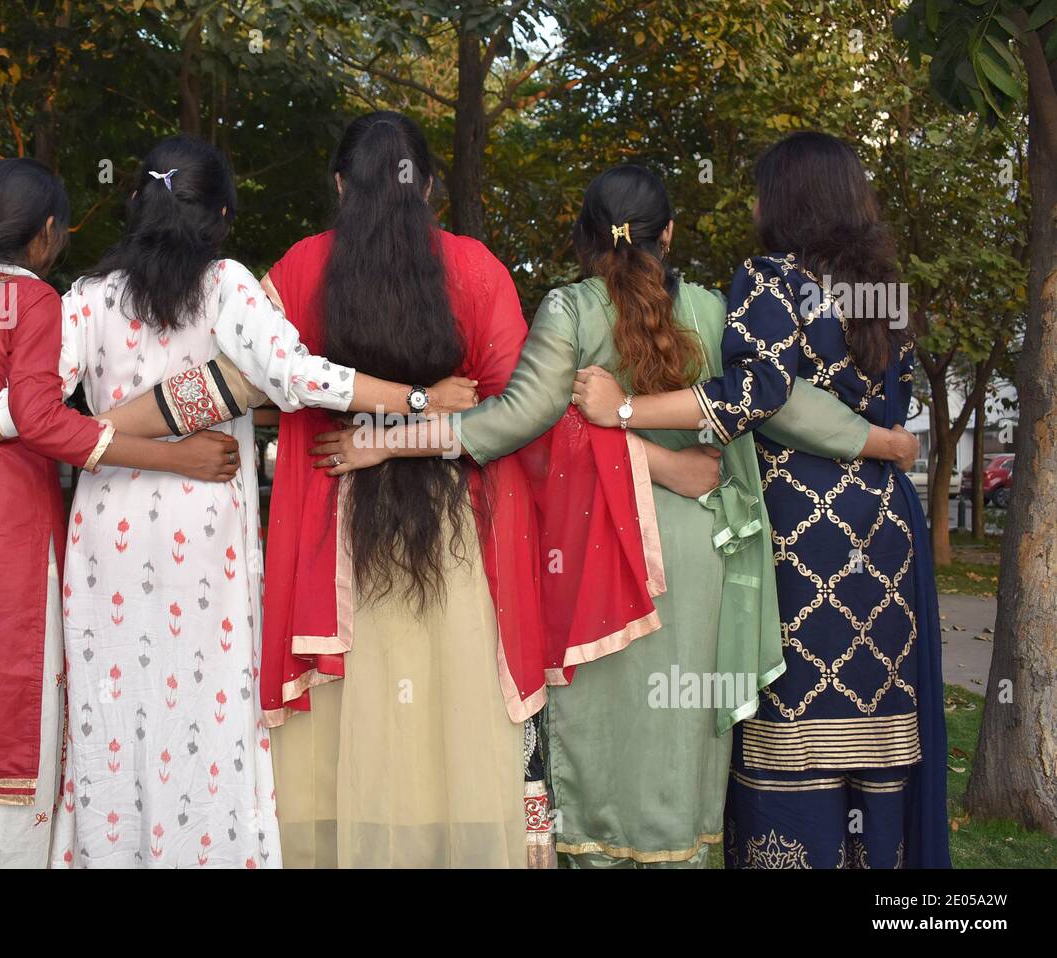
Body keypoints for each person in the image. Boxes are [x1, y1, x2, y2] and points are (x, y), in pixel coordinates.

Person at [312, 162, 918, 866]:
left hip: (604, 557)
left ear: (585, 237)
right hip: (701, 557)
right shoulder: (717, 312)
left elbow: (504, 423)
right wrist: (880, 441)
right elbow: (777, 400)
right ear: (670, 232)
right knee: (678, 757)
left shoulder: (570, 311)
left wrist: (385, 440)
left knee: (602, 754)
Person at [0, 135, 478, 867]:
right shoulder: (228, 286)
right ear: (224, 213)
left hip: (104, 533)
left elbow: (28, 409)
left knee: (110, 715)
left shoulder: (85, 297)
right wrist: (418, 398)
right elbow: (298, 377)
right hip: (202, 533)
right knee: (206, 715)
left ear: (136, 204)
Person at [255, 112, 661, 868]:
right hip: (458, 532)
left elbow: (254, 384)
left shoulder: (295, 272)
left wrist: (370, 428)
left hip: (333, 532)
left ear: (340, 186)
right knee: (449, 721)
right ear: (431, 189)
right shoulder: (475, 269)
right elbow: (516, 412)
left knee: (357, 725)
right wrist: (423, 403)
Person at [571, 133, 949, 869]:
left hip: (802, 529)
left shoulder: (769, 276)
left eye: (761, 190)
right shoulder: (886, 293)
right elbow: (887, 416)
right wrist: (882, 446)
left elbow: (761, 393)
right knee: (877, 722)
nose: (751, 205)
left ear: (790, 200)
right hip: (885, 524)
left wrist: (624, 411)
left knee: (795, 726)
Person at [0, 158, 236, 869]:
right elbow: (36, 418)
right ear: (44, 234)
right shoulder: (34, 301)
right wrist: (174, 457)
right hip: (6, 539)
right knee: (12, 719)